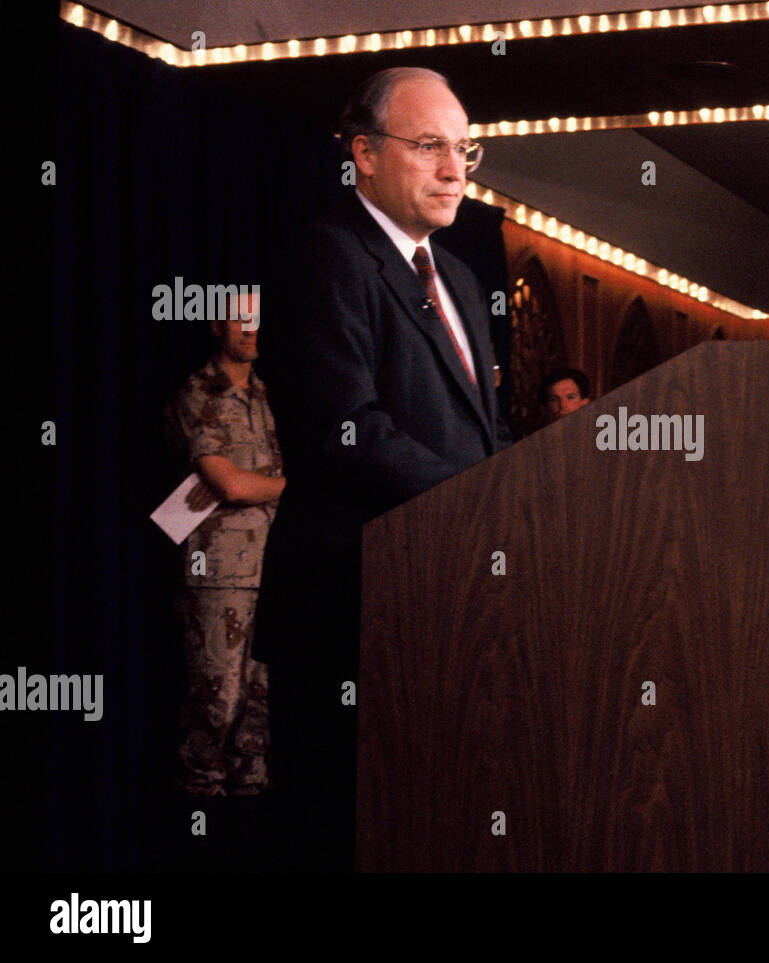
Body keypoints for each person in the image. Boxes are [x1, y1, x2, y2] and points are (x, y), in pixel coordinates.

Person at [255, 67, 512, 869]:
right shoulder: (328, 257)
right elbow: (347, 431)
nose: (454, 170)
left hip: (447, 608)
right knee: (341, 832)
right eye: (430, 146)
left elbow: (485, 431)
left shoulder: (462, 277)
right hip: (351, 613)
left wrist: (527, 500)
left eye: (464, 149)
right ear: (363, 153)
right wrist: (485, 499)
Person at [163, 291, 285, 798]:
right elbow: (228, 483)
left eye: (257, 319)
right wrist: (291, 488)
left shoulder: (268, 396)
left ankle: (250, 821)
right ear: (217, 323)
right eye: (240, 319)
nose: (250, 328)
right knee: (216, 704)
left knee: (257, 709)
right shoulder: (197, 394)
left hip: (269, 569)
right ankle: (200, 821)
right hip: (217, 575)